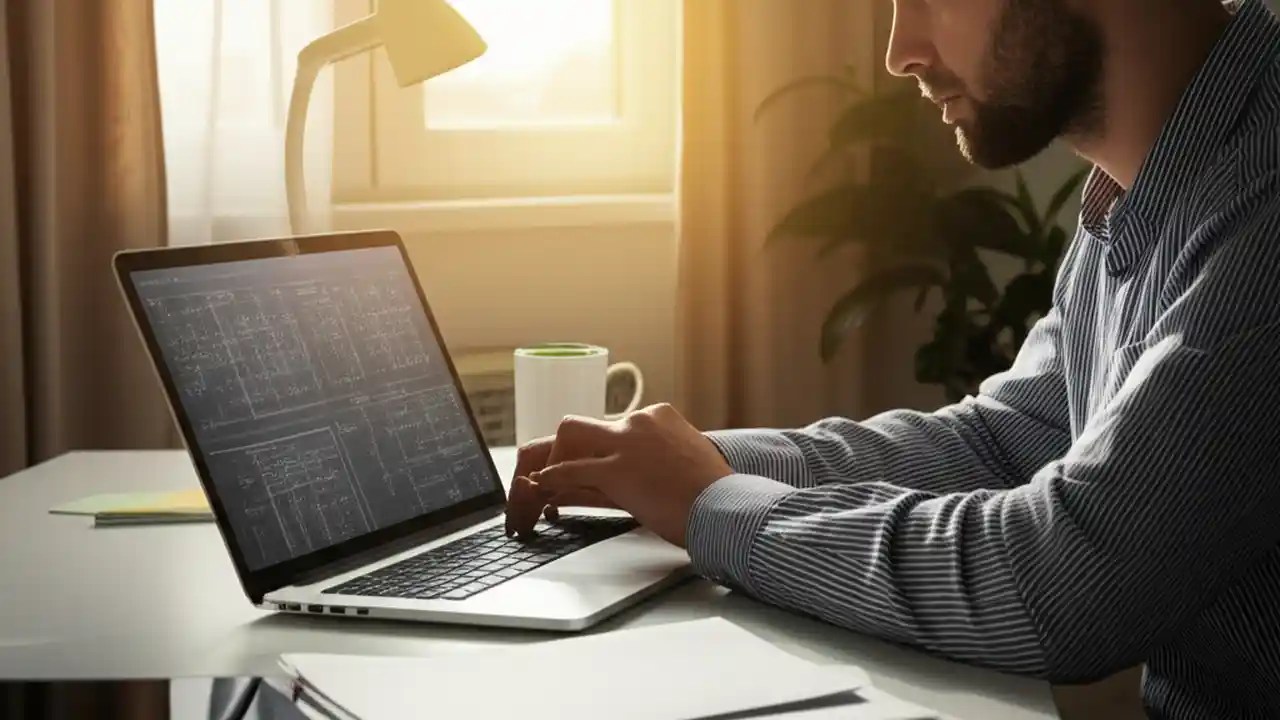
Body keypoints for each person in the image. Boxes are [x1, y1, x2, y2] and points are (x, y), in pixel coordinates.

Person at [504, 0, 1280, 716]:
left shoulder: (1263, 205)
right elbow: (1003, 444)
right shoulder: (1146, 189)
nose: (900, 52)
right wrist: (684, 467)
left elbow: (1069, 585)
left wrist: (713, 504)